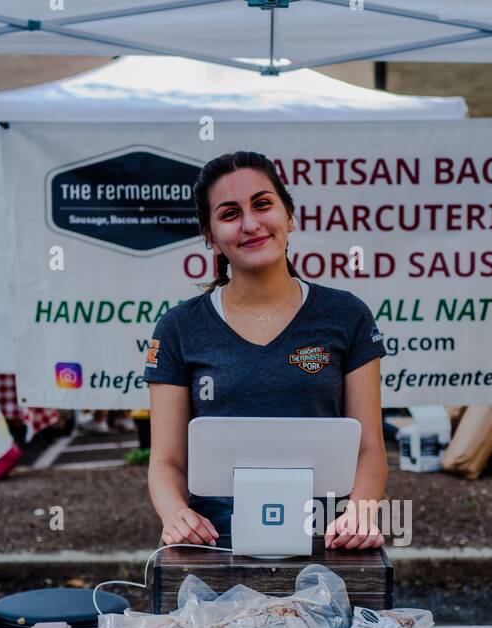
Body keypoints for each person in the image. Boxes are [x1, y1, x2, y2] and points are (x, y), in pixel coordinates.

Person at [144, 150, 387, 550]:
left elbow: (370, 448)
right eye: (229, 213)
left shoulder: (347, 315)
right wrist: (175, 515)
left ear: (289, 217)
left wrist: (358, 513)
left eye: (262, 204)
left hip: (326, 542)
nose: (251, 224)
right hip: (215, 545)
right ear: (210, 238)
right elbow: (167, 461)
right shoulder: (178, 328)